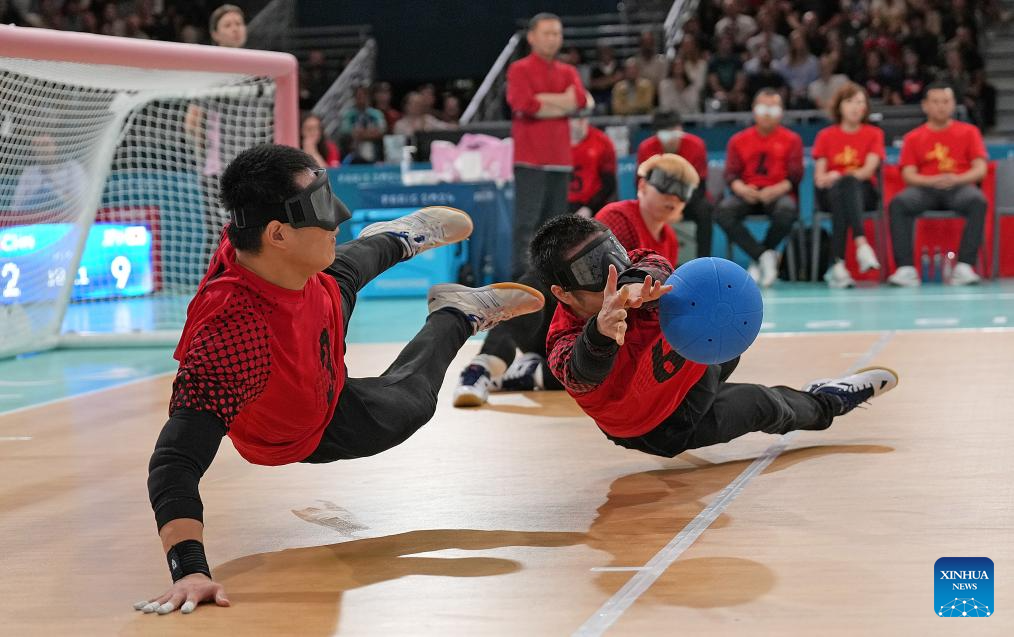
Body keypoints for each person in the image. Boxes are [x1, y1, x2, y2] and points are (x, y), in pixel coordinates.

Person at [134, 144, 544, 616]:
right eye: (322, 208)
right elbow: (174, 461)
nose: (339, 216)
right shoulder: (233, 335)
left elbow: (329, 259)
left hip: (314, 316)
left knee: (345, 268)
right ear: (277, 233)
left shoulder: (275, 252)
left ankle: (399, 235)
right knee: (412, 405)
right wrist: (189, 569)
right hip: (304, 422)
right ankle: (457, 314)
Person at [532, 213, 899, 460]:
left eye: (613, 252)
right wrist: (600, 333)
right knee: (764, 405)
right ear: (563, 293)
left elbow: (656, 265)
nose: (614, 267)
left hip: (696, 369)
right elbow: (580, 372)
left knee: (719, 323)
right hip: (662, 425)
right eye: (593, 269)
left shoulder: (638, 271)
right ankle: (829, 401)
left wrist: (634, 285)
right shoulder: (562, 341)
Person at [451, 154, 697, 407]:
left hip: (606, 337)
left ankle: (531, 373)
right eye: (666, 186)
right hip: (564, 322)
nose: (674, 197)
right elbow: (587, 280)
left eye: (683, 191)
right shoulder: (618, 217)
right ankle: (482, 367)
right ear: (643, 185)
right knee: (536, 283)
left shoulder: (669, 239)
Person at [506, 12, 587, 277]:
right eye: (547, 33)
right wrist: (562, 103)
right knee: (527, 224)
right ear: (531, 37)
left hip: (561, 160)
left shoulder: (568, 70)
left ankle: (552, 278)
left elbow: (580, 101)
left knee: (556, 225)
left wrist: (544, 102)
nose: (554, 39)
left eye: (557, 34)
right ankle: (524, 279)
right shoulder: (519, 69)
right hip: (530, 160)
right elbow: (524, 104)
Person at [887, 82, 987, 287]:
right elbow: (908, 174)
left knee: (978, 201)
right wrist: (932, 180)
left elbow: (980, 169)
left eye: (946, 101)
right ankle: (905, 268)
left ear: (953, 105)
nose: (941, 106)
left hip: (958, 187)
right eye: (935, 102)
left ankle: (964, 266)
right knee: (899, 203)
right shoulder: (913, 137)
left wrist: (956, 179)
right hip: (925, 189)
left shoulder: (970, 132)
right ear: (925, 105)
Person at [717, 89, 803, 287]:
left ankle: (759, 259)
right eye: (763, 108)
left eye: (773, 108)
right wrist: (742, 189)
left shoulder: (792, 139)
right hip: (747, 192)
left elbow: (795, 175)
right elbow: (731, 174)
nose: (767, 113)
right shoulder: (738, 140)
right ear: (754, 110)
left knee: (787, 211)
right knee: (723, 211)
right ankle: (764, 255)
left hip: (778, 192)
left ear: (781, 112)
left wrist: (775, 190)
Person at [812, 83, 885, 288]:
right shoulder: (825, 135)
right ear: (839, 106)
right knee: (840, 191)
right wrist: (832, 177)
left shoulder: (874, 134)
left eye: (860, 102)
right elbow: (819, 177)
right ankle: (861, 244)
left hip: (864, 193)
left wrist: (838, 175)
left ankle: (838, 265)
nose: (855, 107)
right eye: (850, 101)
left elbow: (867, 171)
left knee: (846, 184)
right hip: (830, 194)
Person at [636, 111, 713, 257]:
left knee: (705, 210)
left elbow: (699, 187)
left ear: (681, 130)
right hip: (657, 200)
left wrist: (677, 208)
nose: (671, 140)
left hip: (688, 200)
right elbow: (642, 186)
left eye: (675, 134)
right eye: (665, 135)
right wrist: (663, 207)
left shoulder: (696, 145)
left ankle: (704, 261)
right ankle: (645, 259)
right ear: (657, 134)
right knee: (641, 209)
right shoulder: (646, 148)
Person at [11, 133, 87, 220]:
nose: (42, 149)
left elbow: (81, 203)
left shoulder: (73, 169)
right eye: (37, 145)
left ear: (55, 146)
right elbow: (16, 206)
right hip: (32, 222)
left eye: (45, 144)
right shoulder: (29, 172)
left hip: (64, 221)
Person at [568, 97, 617, 217]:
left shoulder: (602, 142)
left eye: (584, 117)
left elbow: (609, 183)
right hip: (563, 206)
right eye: (576, 118)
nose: (581, 122)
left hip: (594, 206)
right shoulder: (554, 143)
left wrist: (589, 208)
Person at [338, 85, 387, 163]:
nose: (361, 99)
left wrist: (360, 134)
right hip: (354, 154)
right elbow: (346, 131)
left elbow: (381, 132)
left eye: (363, 96)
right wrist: (369, 133)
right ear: (354, 98)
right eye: (358, 96)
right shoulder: (348, 115)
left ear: (368, 97)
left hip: (375, 154)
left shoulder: (376, 114)